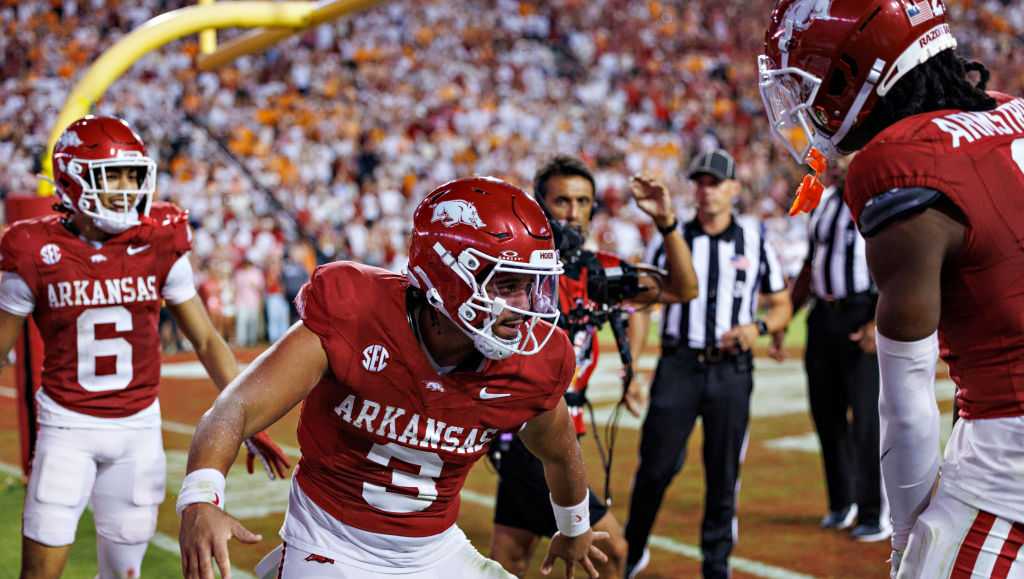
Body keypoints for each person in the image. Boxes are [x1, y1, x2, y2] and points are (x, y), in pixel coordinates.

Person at [177, 177, 608, 579]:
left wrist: (574, 529)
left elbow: (559, 450)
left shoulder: (534, 362)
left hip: (434, 551)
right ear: (446, 276)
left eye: (532, 286)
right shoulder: (357, 313)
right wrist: (200, 496)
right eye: (507, 285)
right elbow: (235, 406)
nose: (524, 306)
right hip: (331, 545)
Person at [760, 1, 1024, 576]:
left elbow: (906, 400)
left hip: (1009, 451)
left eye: (811, 83)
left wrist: (906, 536)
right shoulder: (1010, 112)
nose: (806, 104)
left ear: (859, 70)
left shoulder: (901, 165)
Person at [0, 115, 289, 579]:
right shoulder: (36, 249)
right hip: (66, 428)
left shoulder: (158, 239)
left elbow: (206, 338)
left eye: (130, 175)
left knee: (124, 575)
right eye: (109, 175)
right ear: (72, 180)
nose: (123, 188)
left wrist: (248, 416)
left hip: (137, 430)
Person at [487, 155, 699, 579]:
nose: (573, 212)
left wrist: (666, 222)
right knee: (614, 550)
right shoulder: (514, 272)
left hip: (563, 435)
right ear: (539, 207)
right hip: (526, 433)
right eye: (562, 201)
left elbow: (682, 288)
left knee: (509, 558)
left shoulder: (598, 272)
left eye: (583, 202)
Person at [623, 148, 792, 579]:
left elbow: (781, 304)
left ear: (734, 188)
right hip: (679, 364)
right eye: (699, 182)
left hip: (731, 370)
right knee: (656, 466)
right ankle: (632, 550)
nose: (705, 191)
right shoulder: (671, 238)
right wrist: (633, 369)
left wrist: (758, 327)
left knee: (723, 472)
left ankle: (715, 567)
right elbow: (643, 305)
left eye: (714, 182)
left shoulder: (753, 239)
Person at [788, 157, 888, 541]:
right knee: (826, 416)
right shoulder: (826, 202)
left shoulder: (878, 199)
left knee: (866, 420)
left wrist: (878, 321)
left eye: (842, 153)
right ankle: (841, 502)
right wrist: (787, 317)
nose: (833, 161)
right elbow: (810, 265)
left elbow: (899, 264)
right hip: (824, 317)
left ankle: (873, 511)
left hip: (863, 312)